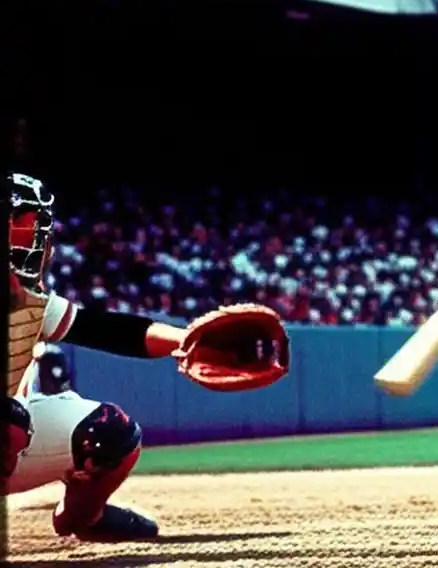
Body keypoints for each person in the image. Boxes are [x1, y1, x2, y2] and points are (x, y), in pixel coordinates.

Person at [5, 171, 289, 541]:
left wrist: (184, 341)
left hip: (14, 437)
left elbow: (106, 329)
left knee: (109, 432)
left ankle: (82, 517)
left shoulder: (28, 301)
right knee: (9, 421)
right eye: (26, 220)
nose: (40, 235)